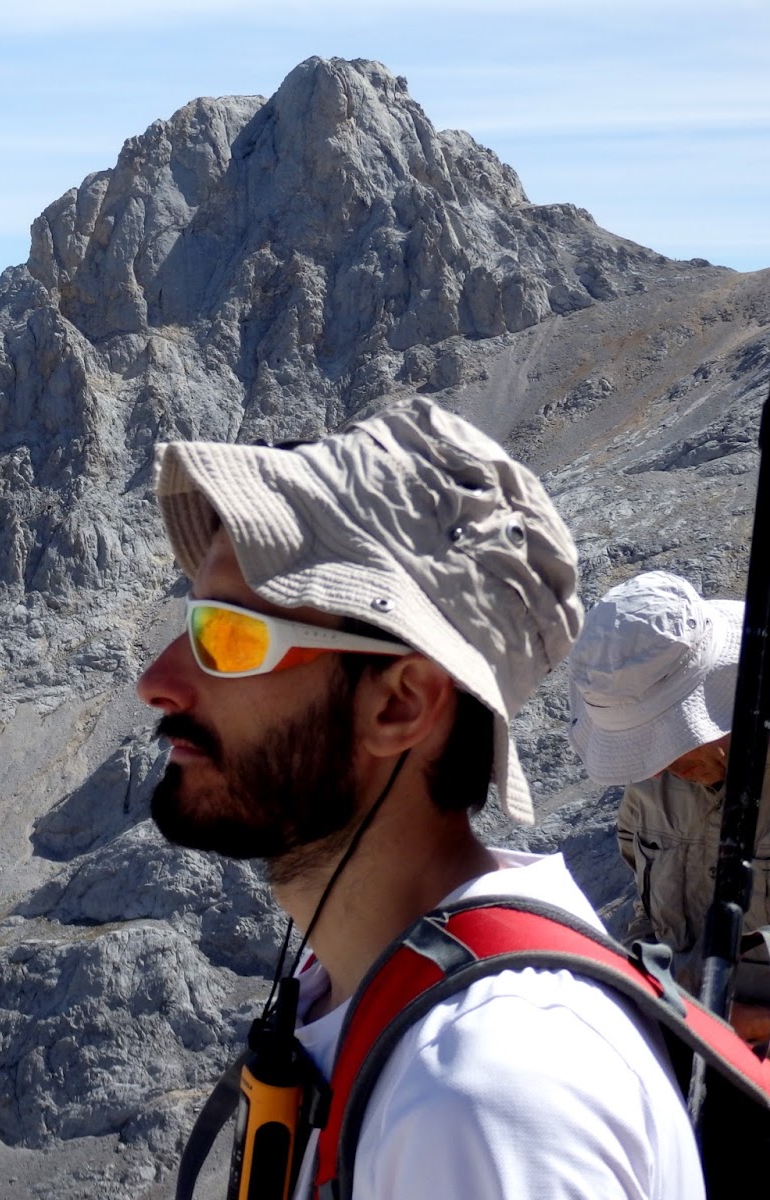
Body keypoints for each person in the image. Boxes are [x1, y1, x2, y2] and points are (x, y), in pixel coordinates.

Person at [138, 397, 702, 1196]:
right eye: (193, 623)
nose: (155, 683)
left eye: (227, 638)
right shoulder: (375, 1003)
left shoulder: (487, 1091)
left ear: (398, 705)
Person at [566, 570, 770, 1042]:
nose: (654, 770)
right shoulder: (651, 791)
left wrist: (752, 1021)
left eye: (664, 742)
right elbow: (648, 917)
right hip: (684, 1053)